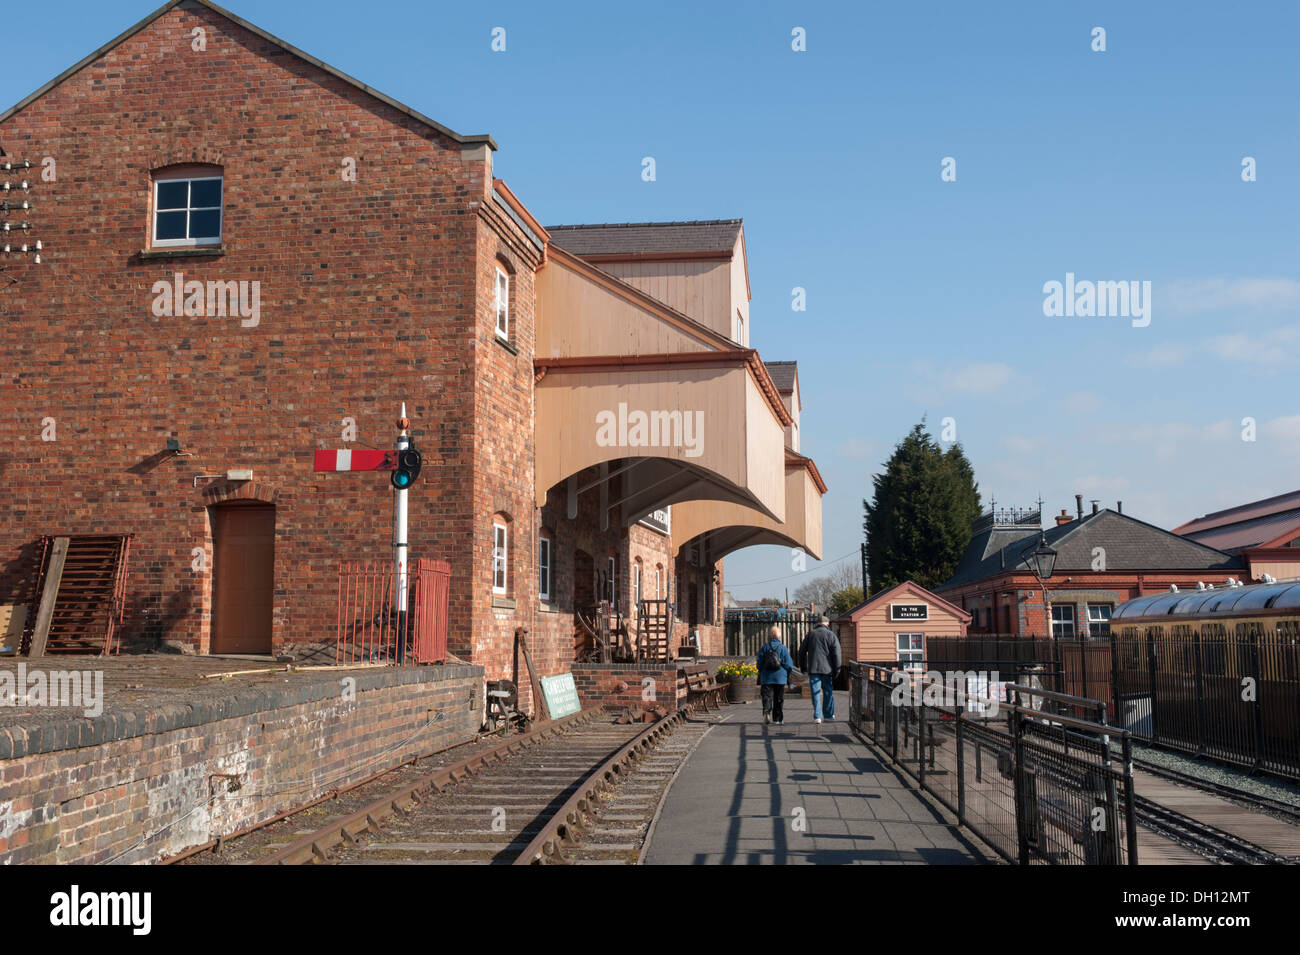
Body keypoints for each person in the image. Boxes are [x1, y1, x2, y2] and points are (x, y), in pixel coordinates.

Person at [800, 615, 841, 724]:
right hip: (827, 669)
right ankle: (828, 715)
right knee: (828, 691)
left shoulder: (810, 635)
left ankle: (817, 715)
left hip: (813, 668)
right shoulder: (831, 635)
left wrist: (803, 666)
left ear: (817, 623)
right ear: (827, 624)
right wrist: (837, 668)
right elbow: (837, 653)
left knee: (815, 692)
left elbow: (802, 652)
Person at [756, 625, 795, 725]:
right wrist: (787, 672)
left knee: (767, 696)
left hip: (767, 677)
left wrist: (761, 671)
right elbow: (789, 664)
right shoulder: (783, 648)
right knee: (778, 698)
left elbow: (759, 663)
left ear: (771, 635)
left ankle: (767, 711)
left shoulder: (765, 647)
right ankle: (777, 719)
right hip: (780, 677)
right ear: (779, 636)